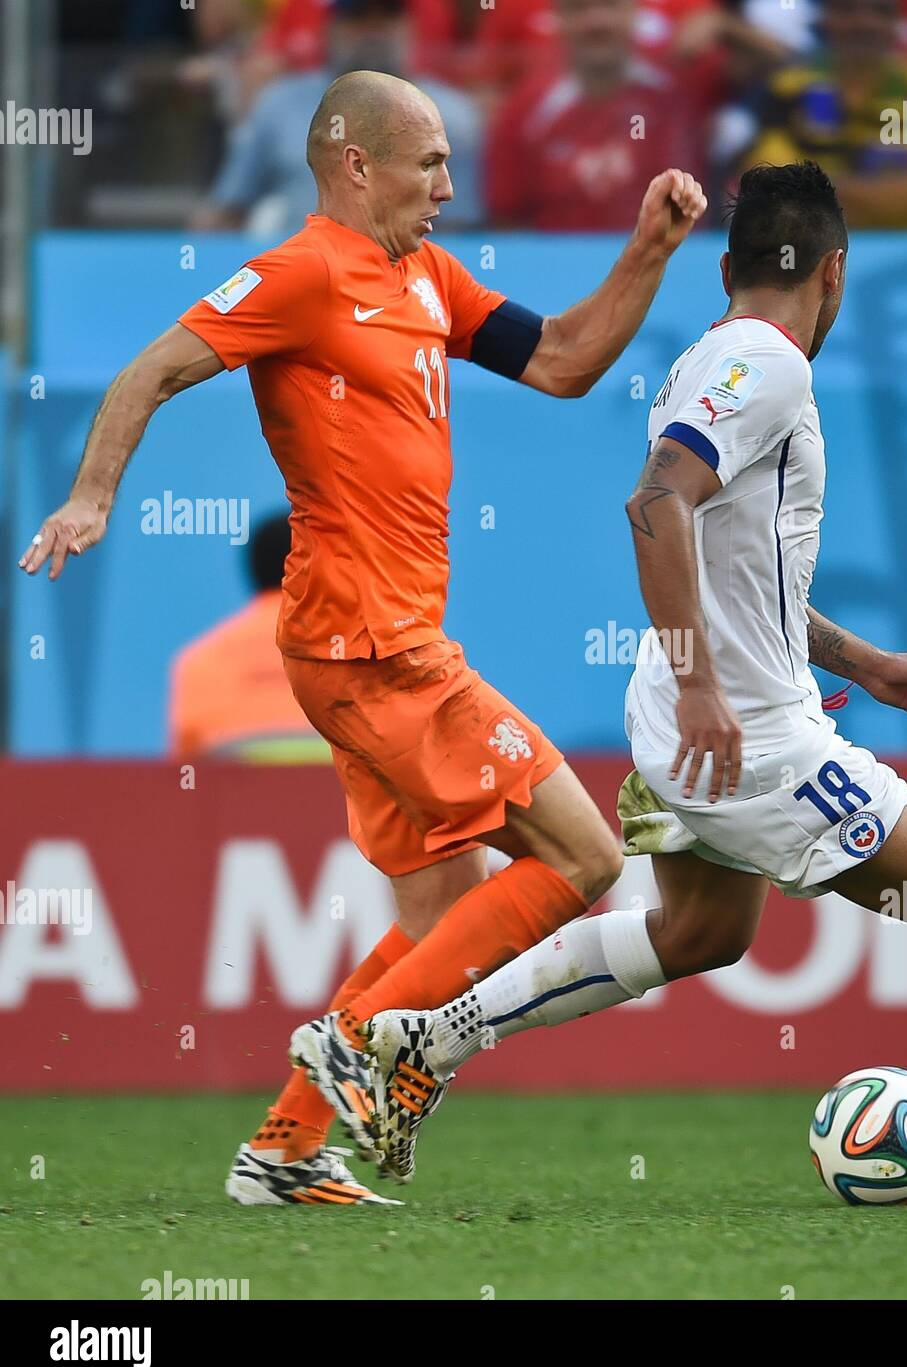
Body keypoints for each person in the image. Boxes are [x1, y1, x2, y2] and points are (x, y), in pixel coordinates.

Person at [334, 162, 907, 1213]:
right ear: (835, 272)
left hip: (694, 722)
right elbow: (655, 506)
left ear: (726, 266)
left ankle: (422, 1043)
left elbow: (734, 571)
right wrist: (703, 682)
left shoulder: (709, 360)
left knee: (704, 932)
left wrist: (860, 663)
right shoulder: (770, 366)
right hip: (742, 737)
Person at [20, 70, 707, 1207]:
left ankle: (280, 1153)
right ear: (356, 164)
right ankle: (361, 1043)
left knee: (444, 910)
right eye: (430, 162)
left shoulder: (426, 275)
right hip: (373, 649)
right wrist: (94, 498)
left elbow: (565, 363)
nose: (450, 182)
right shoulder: (298, 275)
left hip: (378, 642)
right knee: (585, 857)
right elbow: (150, 371)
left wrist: (649, 249)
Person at [191, 0, 485, 234]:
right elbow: (227, 209)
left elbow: (461, 226)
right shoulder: (281, 104)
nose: (373, 31)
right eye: (358, 18)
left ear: (408, 27)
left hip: (407, 280)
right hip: (302, 277)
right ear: (330, 28)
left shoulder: (450, 114)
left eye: (386, 17)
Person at [738, 0, 907, 231]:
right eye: (846, 9)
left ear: (900, 21)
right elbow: (769, 186)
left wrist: (821, 192)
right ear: (824, 18)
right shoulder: (787, 90)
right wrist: (890, 195)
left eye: (881, 11)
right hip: (813, 249)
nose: (864, 23)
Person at [484, 0, 704, 231]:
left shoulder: (673, 102)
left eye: (611, 6)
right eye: (579, 8)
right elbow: (505, 218)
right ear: (558, 19)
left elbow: (693, 209)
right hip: (553, 261)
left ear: (635, 14)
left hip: (656, 258)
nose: (597, 22)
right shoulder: (525, 110)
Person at [168, 511, 329, 763]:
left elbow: (185, 771)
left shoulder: (199, 659)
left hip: (234, 799)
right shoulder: (363, 653)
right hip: (336, 797)